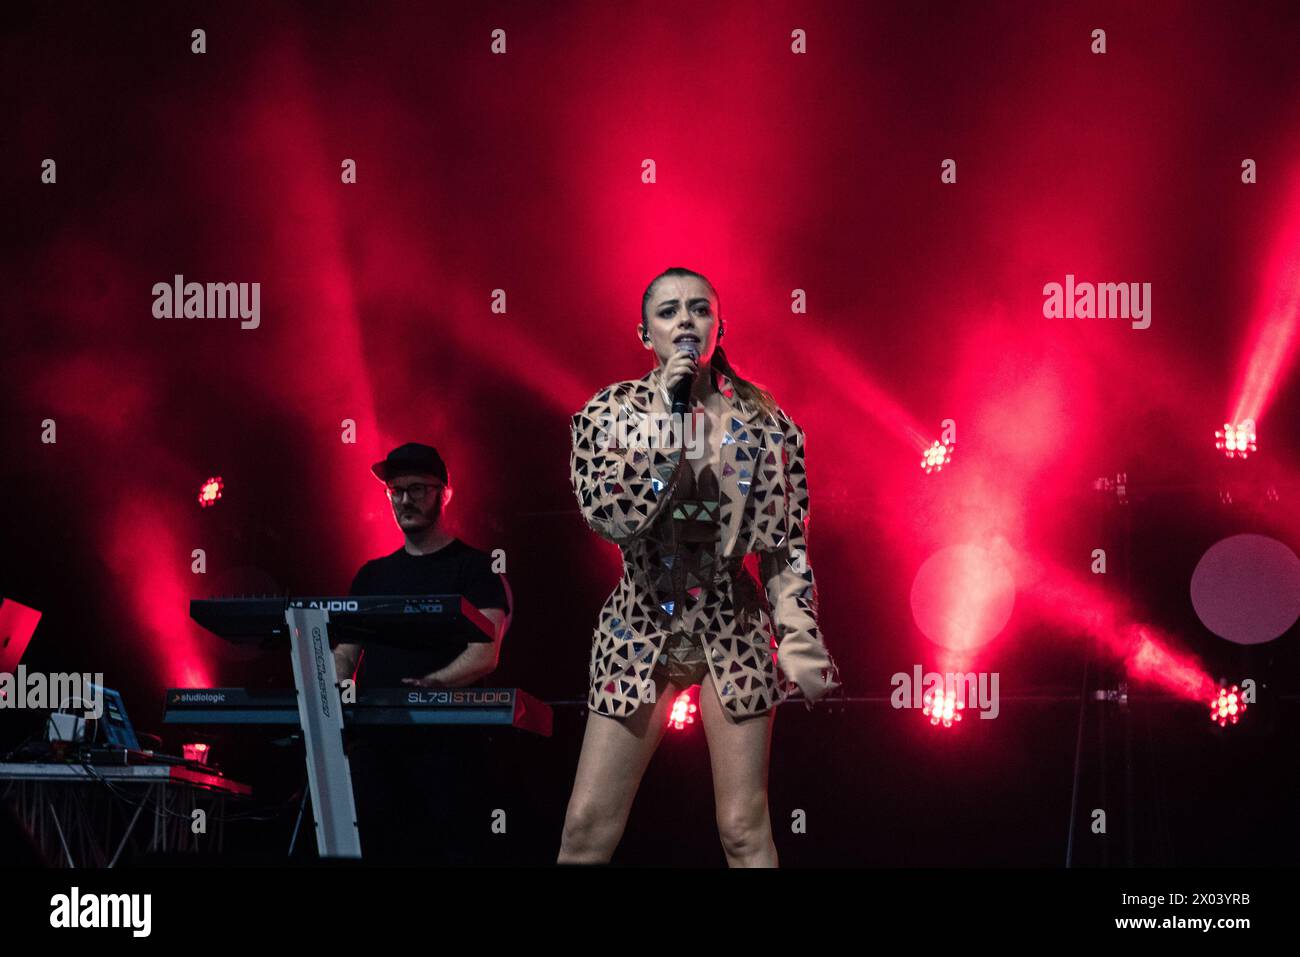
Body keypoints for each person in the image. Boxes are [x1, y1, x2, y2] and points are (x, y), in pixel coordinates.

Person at [558, 267, 839, 866]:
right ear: (645, 333)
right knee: (586, 828)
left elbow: (786, 543)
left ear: (718, 325)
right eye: (668, 311)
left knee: (743, 828)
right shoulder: (608, 414)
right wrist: (667, 419)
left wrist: (798, 634)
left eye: (699, 309)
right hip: (639, 625)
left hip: (730, 623)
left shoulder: (767, 424)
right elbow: (610, 516)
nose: (685, 320)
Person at [333, 441, 511, 864]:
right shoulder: (372, 575)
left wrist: (433, 686)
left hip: (448, 752)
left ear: (443, 493)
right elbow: (344, 654)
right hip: (377, 747)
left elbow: (487, 652)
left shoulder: (476, 568)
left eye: (417, 488)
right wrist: (334, 693)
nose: (405, 500)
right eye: (396, 490)